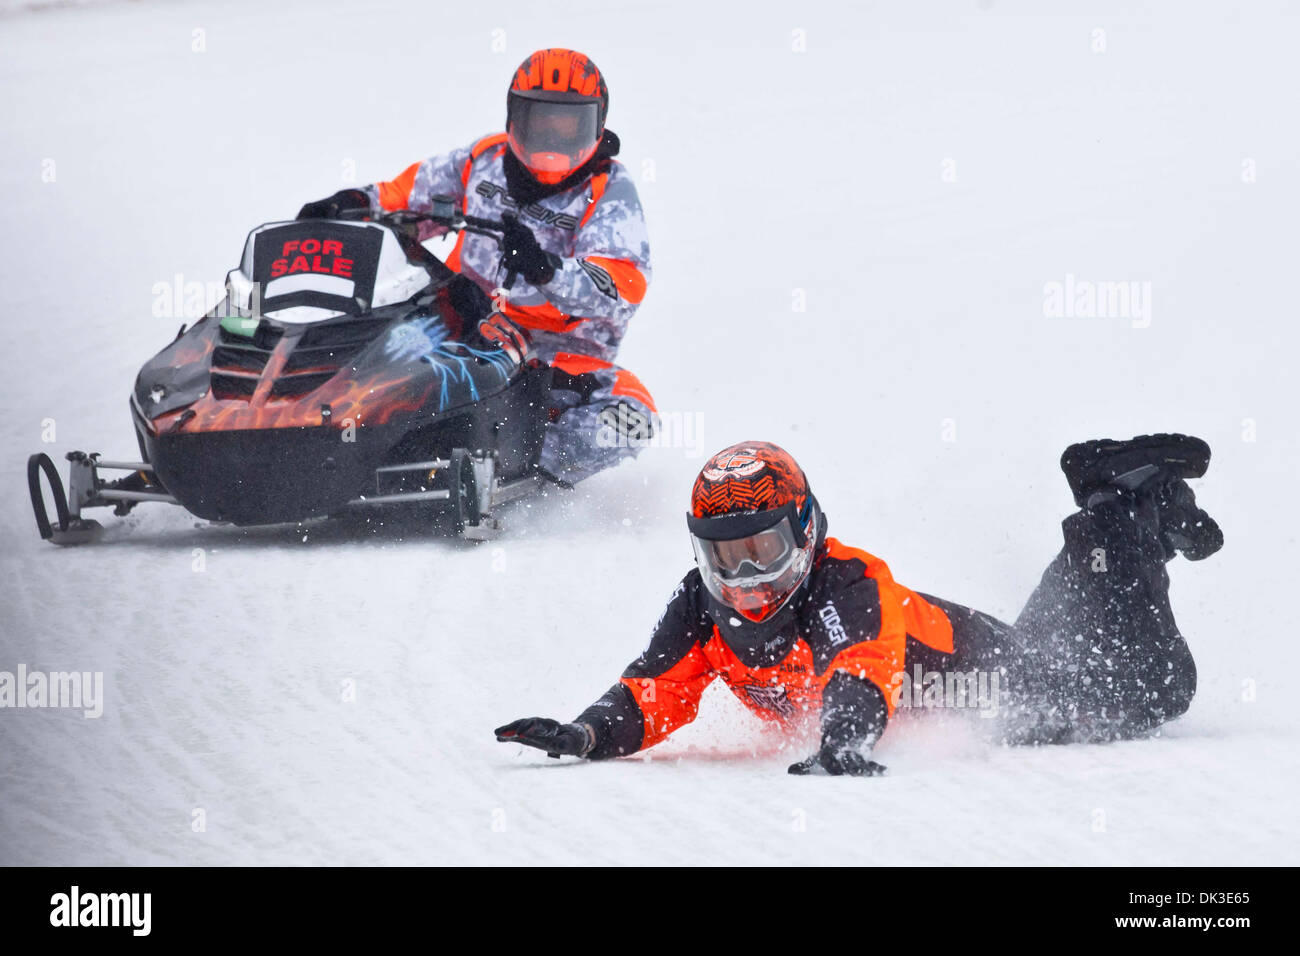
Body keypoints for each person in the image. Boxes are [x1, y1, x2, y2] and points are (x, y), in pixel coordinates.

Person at [495, 435, 1223, 775]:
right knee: (1064, 633)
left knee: (1156, 688)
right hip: (995, 649)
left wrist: (843, 742)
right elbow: (652, 690)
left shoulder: (845, 583)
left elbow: (861, 670)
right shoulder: (699, 609)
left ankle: (1130, 511)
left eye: (764, 550)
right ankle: (1114, 503)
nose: (747, 578)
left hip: (991, 674)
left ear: (806, 531)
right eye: (726, 556)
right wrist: (586, 733)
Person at [297, 48, 654, 485]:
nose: (552, 135)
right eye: (540, 120)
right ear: (514, 115)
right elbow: (408, 196)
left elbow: (621, 283)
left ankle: (524, 468)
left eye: (568, 124)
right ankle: (306, 428)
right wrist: (353, 203)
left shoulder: (610, 192)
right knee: (364, 349)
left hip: (554, 358)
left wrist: (548, 270)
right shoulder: (483, 159)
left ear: (596, 125)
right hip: (462, 325)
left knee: (634, 415)